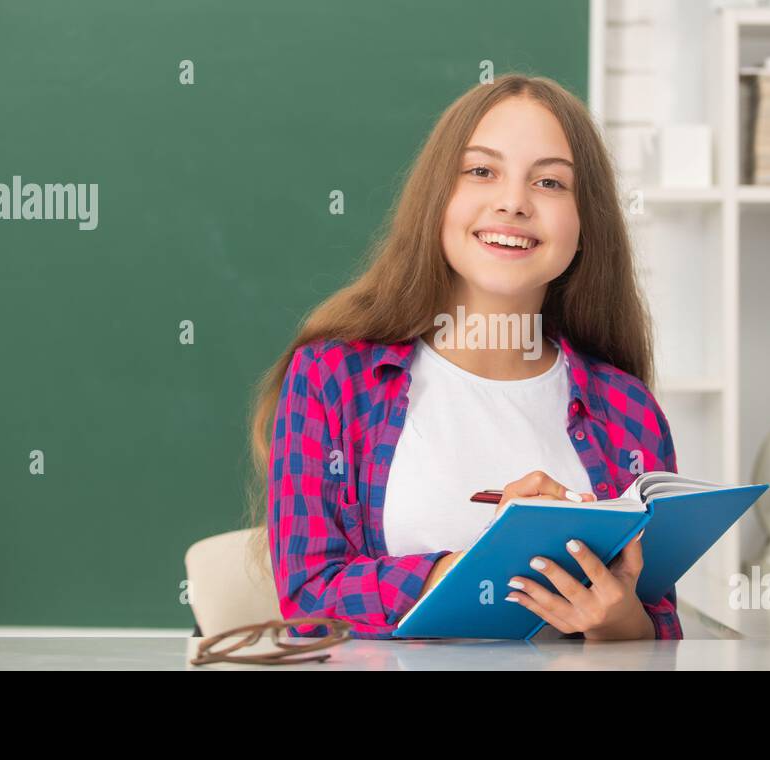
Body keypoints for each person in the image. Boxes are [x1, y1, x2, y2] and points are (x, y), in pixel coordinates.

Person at [248, 74, 681, 641]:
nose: (513, 202)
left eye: (550, 182)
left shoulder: (629, 409)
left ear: (585, 225)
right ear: (438, 199)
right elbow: (309, 602)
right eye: (481, 171)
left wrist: (623, 623)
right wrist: (481, 565)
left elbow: (660, 626)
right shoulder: (333, 378)